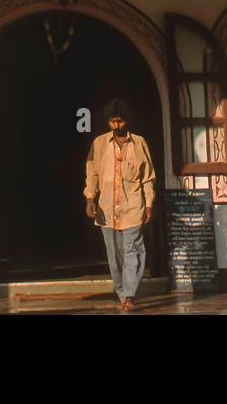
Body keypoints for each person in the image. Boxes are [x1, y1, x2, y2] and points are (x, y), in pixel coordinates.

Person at [84, 100, 156, 312]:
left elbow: (148, 177)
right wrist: (90, 198)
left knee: (132, 250)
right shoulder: (99, 143)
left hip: (133, 207)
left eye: (120, 121)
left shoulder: (140, 143)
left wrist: (149, 204)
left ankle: (130, 295)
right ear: (108, 122)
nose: (116, 125)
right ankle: (122, 291)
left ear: (127, 121)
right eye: (112, 121)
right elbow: (92, 173)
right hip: (107, 209)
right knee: (114, 256)